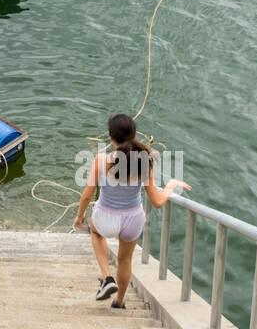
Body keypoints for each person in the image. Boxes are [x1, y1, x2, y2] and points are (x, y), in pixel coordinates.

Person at [73, 113, 190, 310]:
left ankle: (107, 277)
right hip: (133, 220)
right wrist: (170, 186)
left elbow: (87, 195)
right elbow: (157, 201)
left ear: (110, 138)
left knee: (94, 231)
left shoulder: (101, 161)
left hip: (105, 217)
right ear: (135, 134)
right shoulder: (144, 162)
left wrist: (79, 216)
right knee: (125, 259)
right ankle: (119, 301)